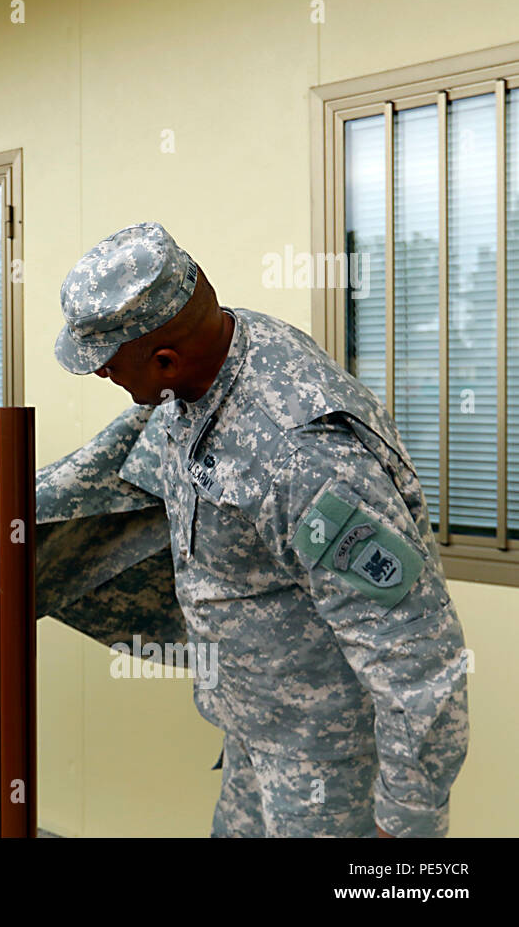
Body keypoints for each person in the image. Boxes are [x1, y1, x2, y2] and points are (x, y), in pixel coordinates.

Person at [50, 221, 469, 837]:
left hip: (323, 761)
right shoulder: (204, 365)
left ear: (165, 358)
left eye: (108, 367)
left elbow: (414, 647)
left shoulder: (300, 457)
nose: (101, 378)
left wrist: (406, 821)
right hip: (256, 728)